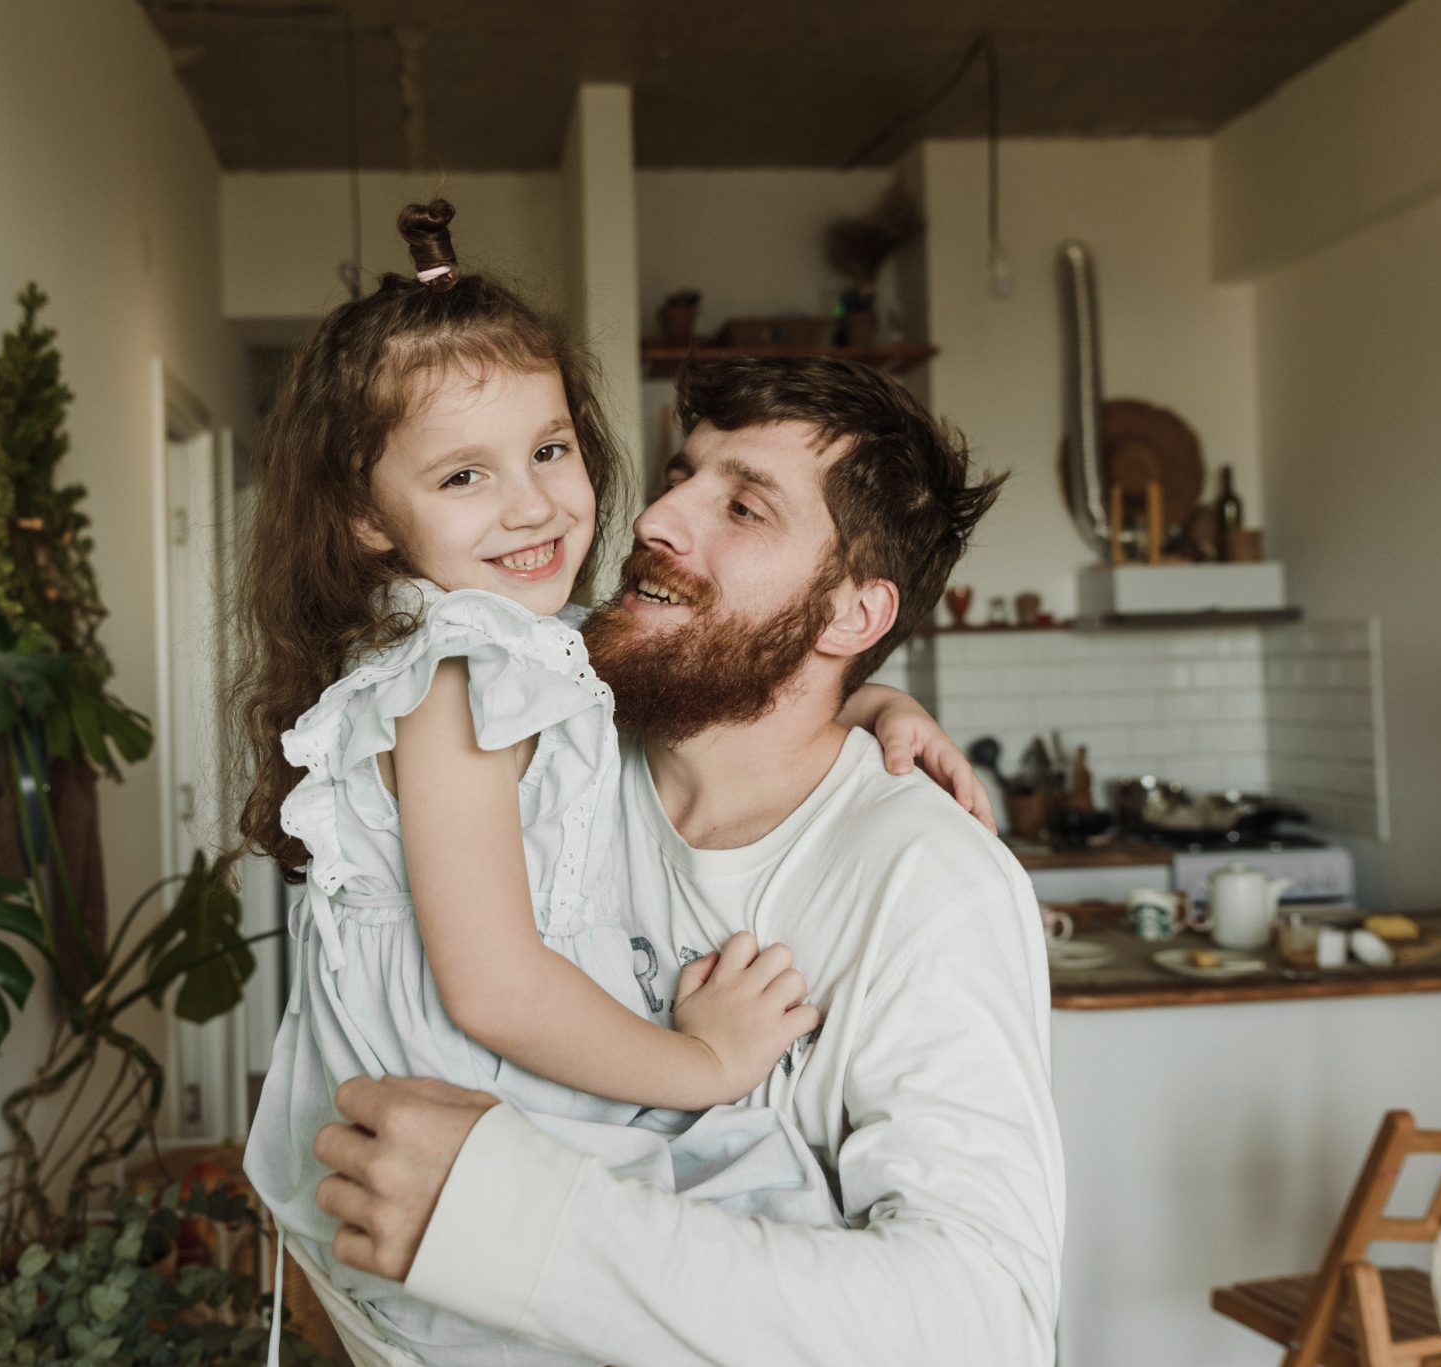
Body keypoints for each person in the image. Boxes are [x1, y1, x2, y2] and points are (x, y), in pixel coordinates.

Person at [230, 201, 992, 1366]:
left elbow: (971, 1324)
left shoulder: (530, 655)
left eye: (547, 451)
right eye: (463, 475)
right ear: (364, 516)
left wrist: (869, 698)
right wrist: (707, 1061)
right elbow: (494, 987)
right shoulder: (464, 671)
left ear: (853, 616)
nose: (541, 505)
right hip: (457, 1107)